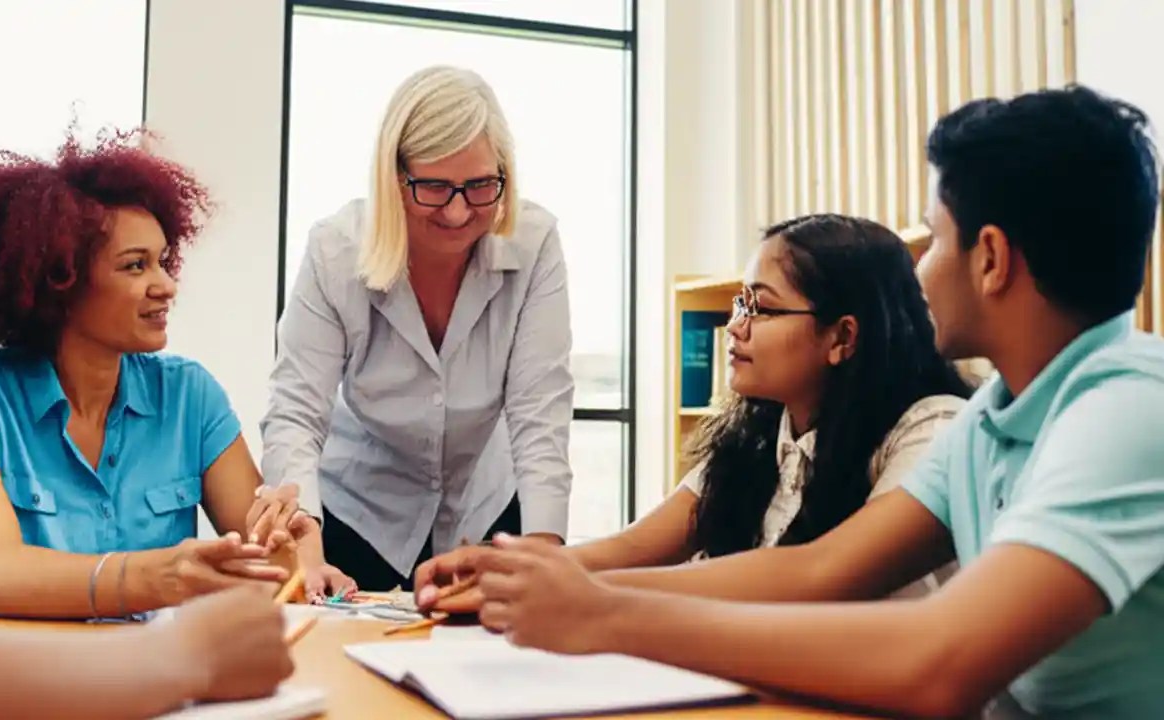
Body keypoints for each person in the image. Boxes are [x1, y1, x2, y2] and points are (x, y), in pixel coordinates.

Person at [459, 85, 1164, 719]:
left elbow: (939, 661)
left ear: (990, 258)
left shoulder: (1128, 409)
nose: (921, 268)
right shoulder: (992, 418)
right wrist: (560, 588)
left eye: (937, 238)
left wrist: (608, 617)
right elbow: (819, 569)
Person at [0, 40, 292, 717]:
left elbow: (271, 559)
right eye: (135, 266)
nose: (165, 286)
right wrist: (164, 589)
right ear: (59, 281)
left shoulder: (189, 393)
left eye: (165, 262)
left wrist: (290, 538)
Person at [417, 214, 972, 612]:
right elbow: (634, 548)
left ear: (842, 337)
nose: (735, 326)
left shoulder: (930, 429)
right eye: (739, 303)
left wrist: (589, 598)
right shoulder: (757, 436)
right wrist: (507, 569)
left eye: (762, 307)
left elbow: (822, 576)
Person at [258, 64, 575, 595]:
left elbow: (540, 413)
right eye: (433, 187)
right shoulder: (336, 252)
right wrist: (305, 554)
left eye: (479, 187)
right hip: (360, 516)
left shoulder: (534, 243)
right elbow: (295, 412)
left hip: (485, 510)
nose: (456, 213)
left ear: (505, 175)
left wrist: (544, 561)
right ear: (393, 178)